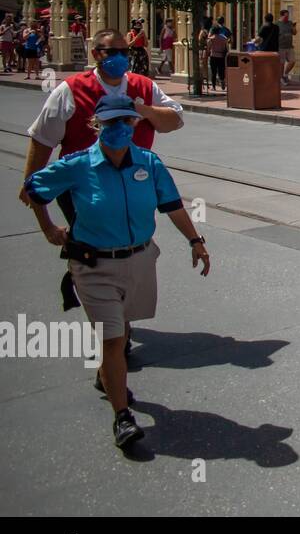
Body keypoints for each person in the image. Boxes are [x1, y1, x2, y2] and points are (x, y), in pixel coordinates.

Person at [21, 95, 210, 450]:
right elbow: (33, 190)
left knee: (121, 331)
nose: (119, 129)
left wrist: (195, 241)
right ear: (96, 126)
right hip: (93, 265)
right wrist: (49, 229)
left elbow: (172, 205)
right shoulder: (77, 165)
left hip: (138, 260)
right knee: (112, 339)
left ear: (135, 124)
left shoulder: (149, 163)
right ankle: (123, 417)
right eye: (110, 123)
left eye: (125, 122)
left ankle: (107, 375)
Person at [23, 27, 184, 314]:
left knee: (127, 249)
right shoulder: (70, 90)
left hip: (132, 185)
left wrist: (142, 110)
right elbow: (42, 142)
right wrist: (44, 219)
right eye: (113, 52)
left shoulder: (144, 87)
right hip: (83, 189)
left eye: (125, 52)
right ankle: (112, 324)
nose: (121, 58)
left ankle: (91, 283)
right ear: (96, 54)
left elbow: (174, 121)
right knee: (102, 250)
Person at [276, 8, 297, 86]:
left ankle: (285, 74)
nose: (287, 18)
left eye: (288, 16)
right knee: (282, 63)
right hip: (281, 46)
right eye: (286, 16)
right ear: (281, 16)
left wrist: (294, 27)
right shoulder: (277, 24)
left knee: (293, 61)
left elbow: (294, 33)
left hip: (289, 46)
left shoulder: (290, 23)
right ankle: (281, 78)